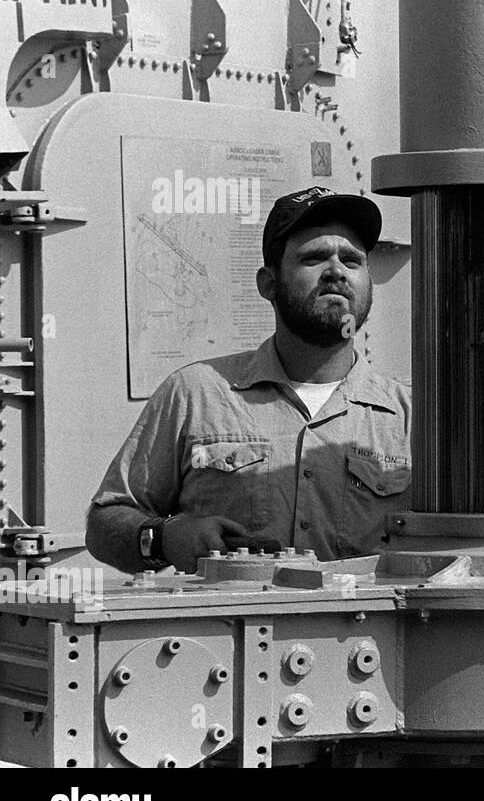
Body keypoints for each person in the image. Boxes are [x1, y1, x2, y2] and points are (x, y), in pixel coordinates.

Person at [86, 187, 412, 573]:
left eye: (353, 260)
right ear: (268, 284)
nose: (336, 271)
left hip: (361, 633)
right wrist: (165, 536)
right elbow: (104, 524)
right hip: (235, 632)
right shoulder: (196, 394)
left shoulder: (411, 417)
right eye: (314, 258)